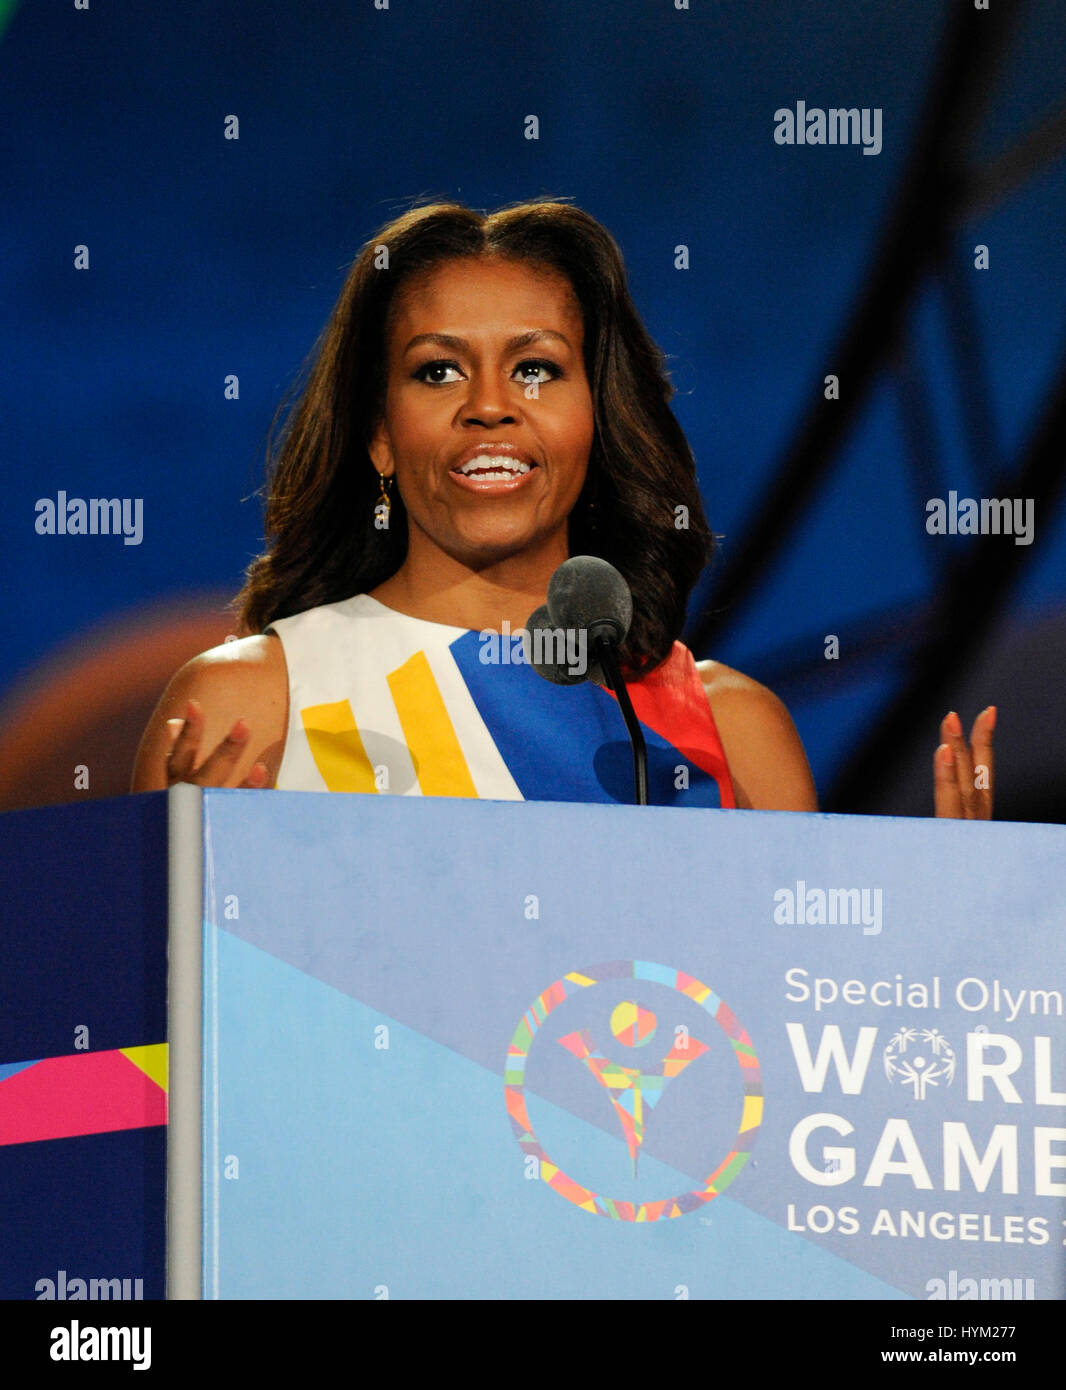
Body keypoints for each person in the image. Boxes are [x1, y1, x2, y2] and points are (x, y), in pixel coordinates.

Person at [131, 198, 994, 817]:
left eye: (536, 368)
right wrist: (174, 900)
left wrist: (936, 926)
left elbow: (796, 1032)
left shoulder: (733, 728)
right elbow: (113, 1052)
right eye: (437, 370)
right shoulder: (250, 703)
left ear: (598, 417)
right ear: (379, 438)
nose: (491, 404)